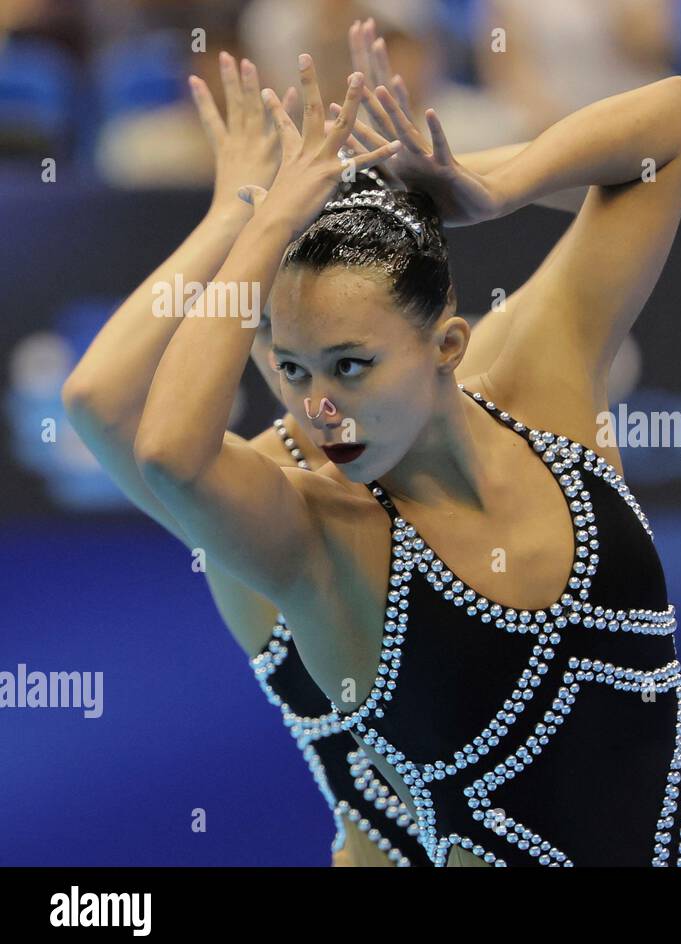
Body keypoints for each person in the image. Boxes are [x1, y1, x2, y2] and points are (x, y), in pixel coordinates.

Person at [133, 51, 681, 866]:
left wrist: (498, 185)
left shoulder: (544, 382)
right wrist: (255, 222)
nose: (320, 406)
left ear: (448, 343)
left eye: (352, 365)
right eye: (293, 371)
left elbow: (675, 120)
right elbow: (164, 454)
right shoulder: (320, 534)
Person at [61, 39, 587, 866]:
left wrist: (472, 179)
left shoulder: (467, 419)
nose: (308, 378)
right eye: (277, 346)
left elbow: (648, 157)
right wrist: (236, 215)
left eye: (345, 352)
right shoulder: (258, 499)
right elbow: (96, 402)